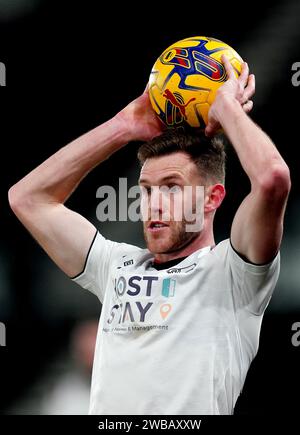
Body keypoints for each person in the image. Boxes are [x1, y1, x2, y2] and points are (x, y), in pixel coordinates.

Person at [8, 55, 291, 415]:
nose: (154, 203)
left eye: (172, 188)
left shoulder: (233, 275)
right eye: (147, 189)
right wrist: (123, 126)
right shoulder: (115, 266)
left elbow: (272, 179)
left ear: (212, 198)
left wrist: (225, 108)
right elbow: (27, 199)